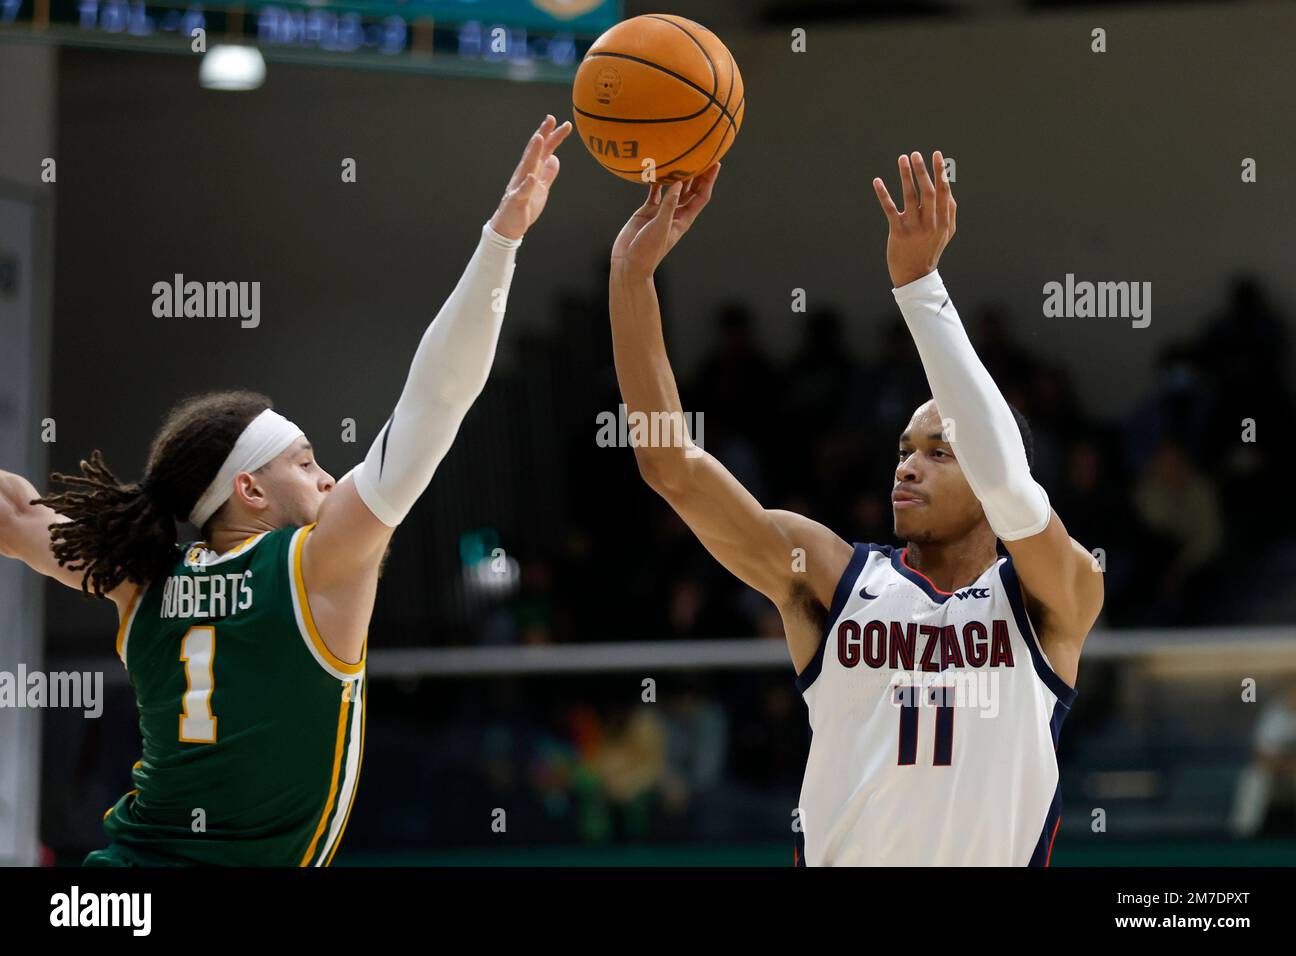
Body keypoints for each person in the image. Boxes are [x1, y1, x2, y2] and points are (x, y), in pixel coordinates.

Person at [0, 115, 571, 866]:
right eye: (305, 462)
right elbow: (436, 399)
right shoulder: (317, 566)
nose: (330, 476)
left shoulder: (139, 577)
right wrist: (502, 239)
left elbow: (12, 513)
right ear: (249, 488)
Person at [606, 152, 1103, 866]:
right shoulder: (831, 576)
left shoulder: (1056, 593)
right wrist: (632, 276)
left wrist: (921, 289)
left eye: (939, 451)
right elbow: (670, 466)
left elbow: (1012, 491)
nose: (907, 465)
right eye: (904, 449)